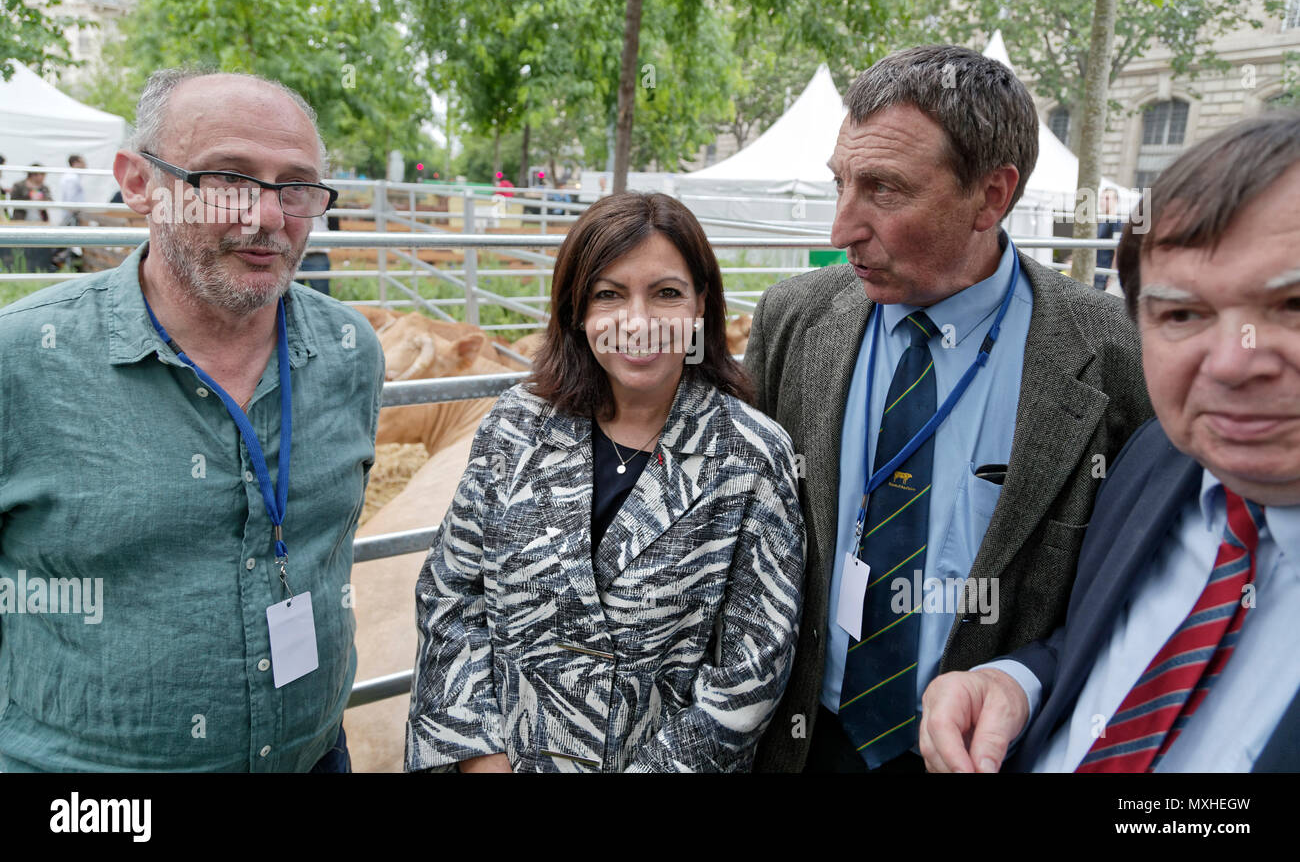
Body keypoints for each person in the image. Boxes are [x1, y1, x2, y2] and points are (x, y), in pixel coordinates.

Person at [746, 45, 1153, 773]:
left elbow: (1134, 591)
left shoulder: (1117, 356)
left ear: (991, 196)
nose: (840, 230)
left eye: (885, 190)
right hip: (804, 740)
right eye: (841, 183)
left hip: (986, 755)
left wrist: (1024, 678)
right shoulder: (791, 320)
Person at [0, 68, 385, 771]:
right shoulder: (20, 364)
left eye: (295, 186)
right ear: (139, 182)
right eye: (228, 179)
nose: (267, 217)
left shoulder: (351, 354)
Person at [920, 111, 1300, 773]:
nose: (1235, 362)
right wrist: (1017, 685)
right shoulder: (1159, 457)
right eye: (1182, 313)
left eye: (1294, 305)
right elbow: (1103, 643)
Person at [405, 191, 805, 773]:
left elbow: (749, 676)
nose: (637, 323)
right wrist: (480, 759)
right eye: (608, 294)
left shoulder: (751, 456)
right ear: (578, 311)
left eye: (666, 293)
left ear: (702, 306)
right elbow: (450, 596)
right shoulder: (516, 425)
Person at [3, 164, 55, 272]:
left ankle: (39, 269)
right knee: (22, 249)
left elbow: (50, 201)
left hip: (40, 222)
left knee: (40, 249)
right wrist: (29, 196)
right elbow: (13, 201)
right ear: (34, 175)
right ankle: (20, 270)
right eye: (42, 175)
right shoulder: (19, 185)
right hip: (21, 222)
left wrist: (41, 199)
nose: (43, 178)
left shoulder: (44, 187)